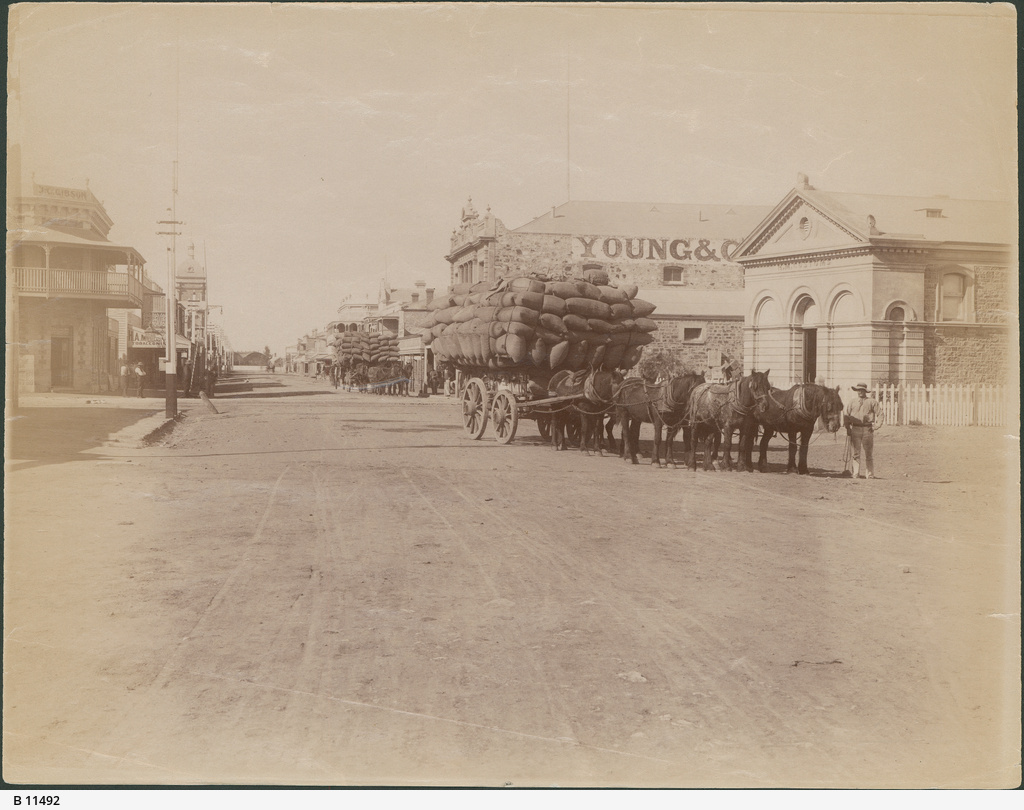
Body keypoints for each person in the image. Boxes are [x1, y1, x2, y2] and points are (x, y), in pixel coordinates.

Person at [844, 382, 879, 479]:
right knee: (856, 453)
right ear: (856, 391)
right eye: (858, 390)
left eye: (862, 390)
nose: (860, 392)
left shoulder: (872, 402)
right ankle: (855, 473)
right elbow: (846, 415)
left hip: (868, 429)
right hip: (855, 429)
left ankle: (870, 474)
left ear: (865, 391)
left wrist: (877, 425)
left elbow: (880, 414)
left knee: (868, 453)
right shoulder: (852, 402)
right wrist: (847, 428)